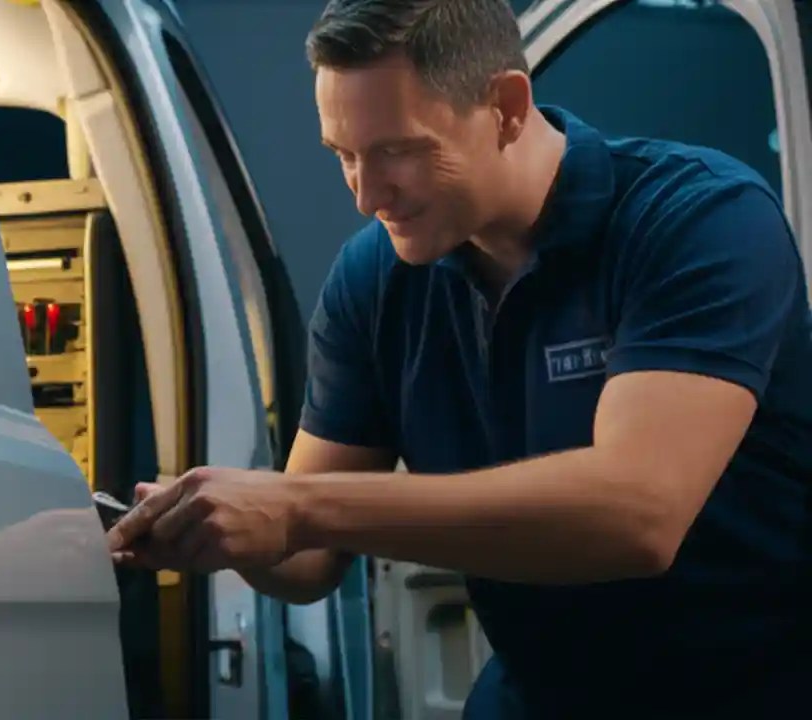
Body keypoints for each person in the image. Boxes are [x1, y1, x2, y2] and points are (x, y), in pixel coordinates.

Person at [108, 0, 812, 716]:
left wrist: (295, 506)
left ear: (506, 106)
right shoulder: (376, 280)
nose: (365, 195)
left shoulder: (697, 221)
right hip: (535, 695)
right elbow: (305, 557)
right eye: (344, 156)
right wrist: (219, 528)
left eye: (398, 152)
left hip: (746, 692)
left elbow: (637, 515)